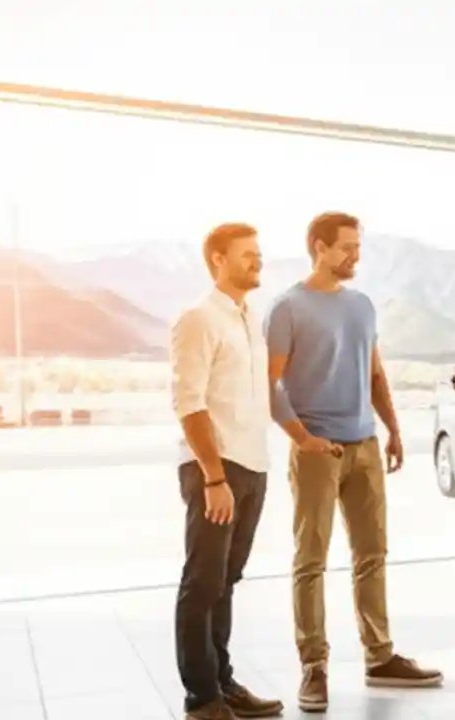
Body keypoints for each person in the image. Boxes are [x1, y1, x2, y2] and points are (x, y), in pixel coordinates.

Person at [265, 211, 443, 714]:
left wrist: (393, 429)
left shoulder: (362, 305)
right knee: (311, 560)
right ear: (318, 247)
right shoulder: (287, 308)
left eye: (358, 246)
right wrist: (303, 438)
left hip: (365, 444)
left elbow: (375, 373)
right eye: (346, 247)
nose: (355, 256)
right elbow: (270, 384)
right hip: (317, 451)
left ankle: (379, 656)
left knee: (372, 554)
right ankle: (314, 667)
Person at [171, 223, 284, 720]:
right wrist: (214, 478)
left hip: (253, 465)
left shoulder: (248, 318)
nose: (257, 261)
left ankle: (223, 681)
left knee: (226, 581)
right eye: (246, 254)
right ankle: (201, 699)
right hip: (217, 470)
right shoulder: (198, 319)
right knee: (202, 583)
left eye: (258, 253)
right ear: (218, 259)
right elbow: (189, 404)